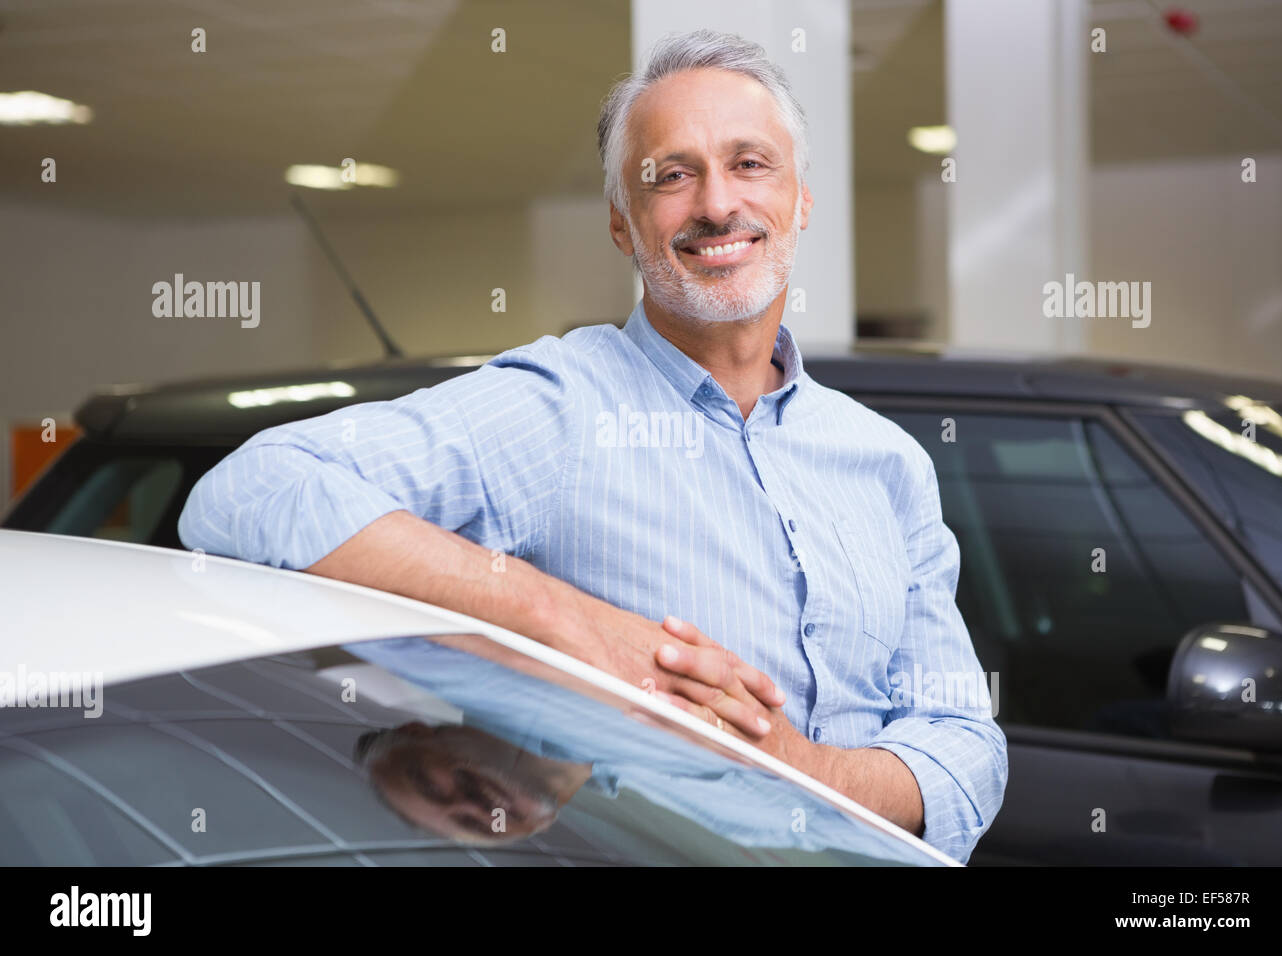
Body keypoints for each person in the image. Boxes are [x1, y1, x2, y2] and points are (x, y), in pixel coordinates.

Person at [178, 28, 1006, 863]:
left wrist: (803, 770)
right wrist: (557, 619)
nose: (717, 203)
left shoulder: (888, 461)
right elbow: (249, 491)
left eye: (750, 164)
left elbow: (968, 753)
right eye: (672, 175)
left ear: (801, 201)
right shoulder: (559, 410)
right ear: (623, 223)